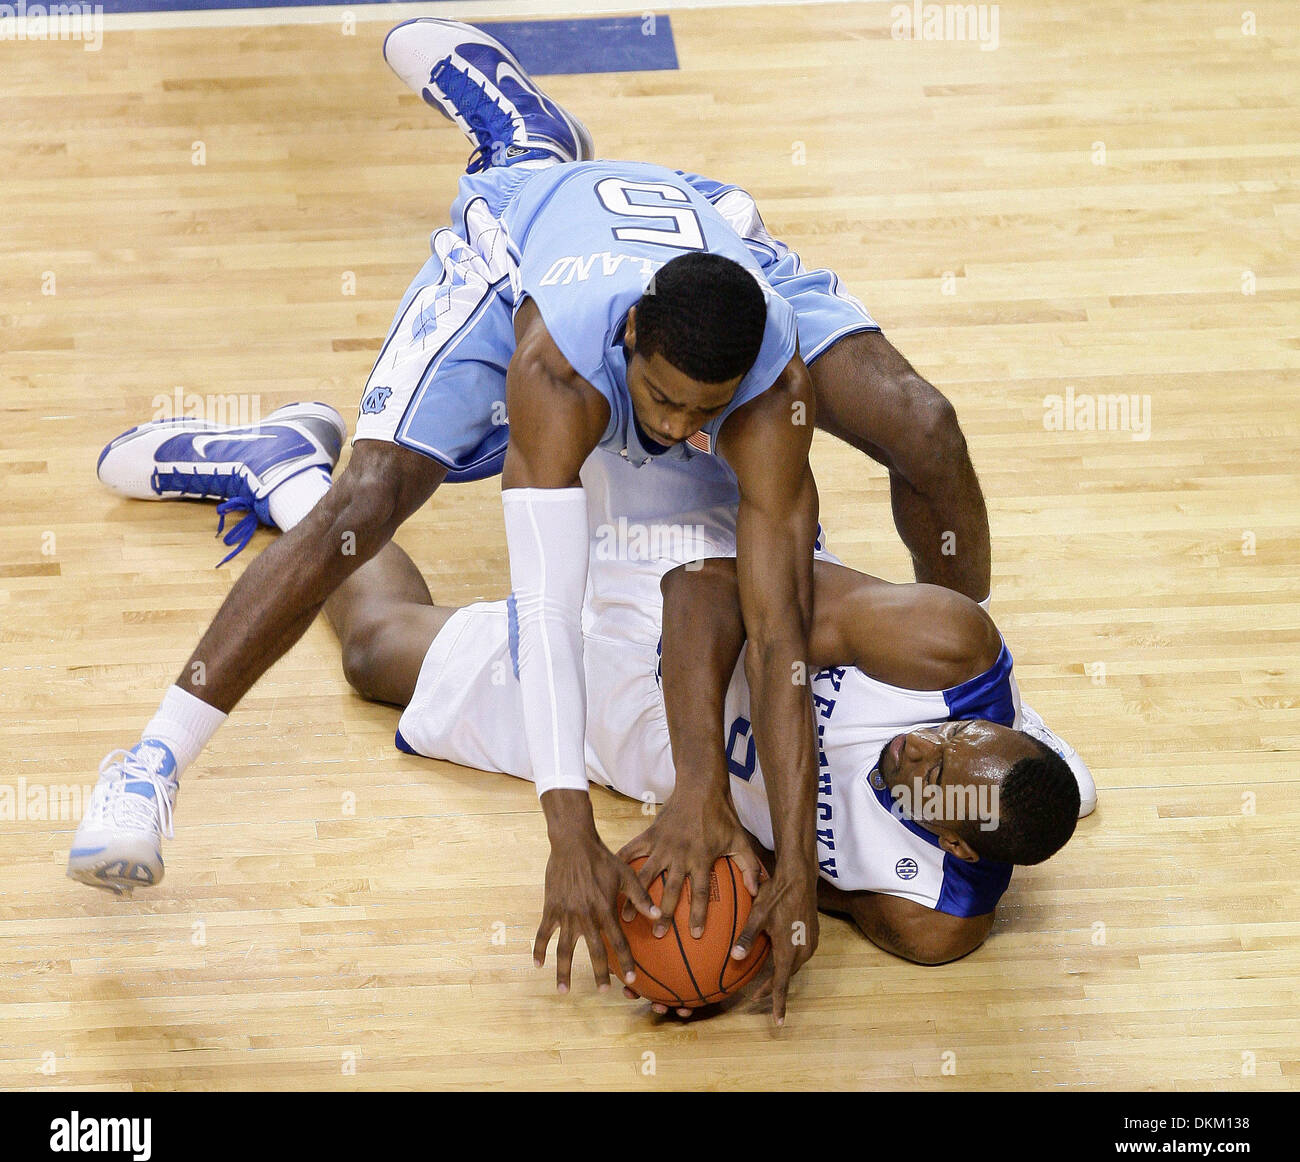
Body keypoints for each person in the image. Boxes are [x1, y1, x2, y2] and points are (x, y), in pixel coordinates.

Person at [71, 19, 1000, 1026]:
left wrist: (771, 855)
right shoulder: (559, 368)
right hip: (524, 254)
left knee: (901, 431)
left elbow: (777, 627)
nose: (686, 429)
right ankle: (152, 758)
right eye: (664, 401)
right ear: (632, 341)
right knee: (371, 497)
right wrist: (566, 829)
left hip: (692, 250)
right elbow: (543, 607)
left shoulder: (770, 387)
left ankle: (284, 459)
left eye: (706, 411)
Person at [81, 426, 1083, 1022]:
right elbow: (706, 589)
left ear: (952, 837)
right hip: (682, 593)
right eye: (949, 737)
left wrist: (725, 932)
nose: (917, 746)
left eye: (929, 775)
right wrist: (703, 790)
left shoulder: (931, 914)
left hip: (648, 745)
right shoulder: (939, 653)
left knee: (376, 651)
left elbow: (796, 884)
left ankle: (280, 469)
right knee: (586, 435)